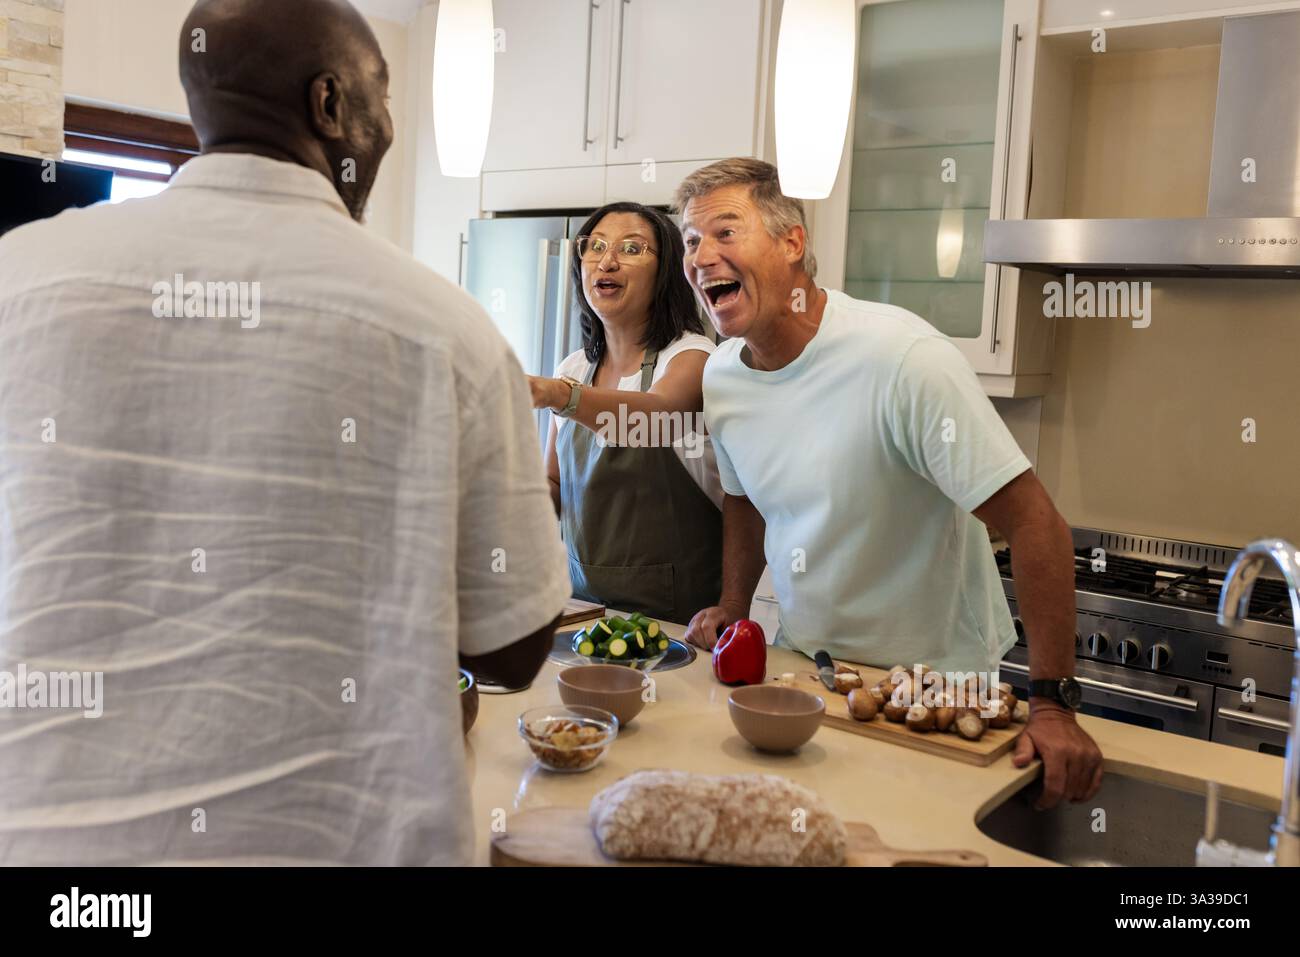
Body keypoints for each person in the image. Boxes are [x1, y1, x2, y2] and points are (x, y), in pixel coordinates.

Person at [0, 0, 570, 865]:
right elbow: (517, 644)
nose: (387, 132)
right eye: (384, 102)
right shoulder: (445, 331)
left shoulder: (19, 277)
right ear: (329, 105)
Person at [677, 158, 1102, 809]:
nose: (703, 255)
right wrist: (734, 610)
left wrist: (1053, 705)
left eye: (725, 233)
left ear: (793, 242)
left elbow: (1035, 522)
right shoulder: (724, 376)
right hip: (809, 673)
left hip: (934, 684)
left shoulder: (904, 360)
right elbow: (743, 499)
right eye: (690, 240)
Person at [528, 202, 723, 623]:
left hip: (676, 625)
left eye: (631, 249)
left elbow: (651, 417)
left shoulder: (692, 357)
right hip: (582, 612)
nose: (607, 261)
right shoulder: (574, 369)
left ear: (667, 270)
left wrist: (558, 395)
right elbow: (553, 484)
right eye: (595, 246)